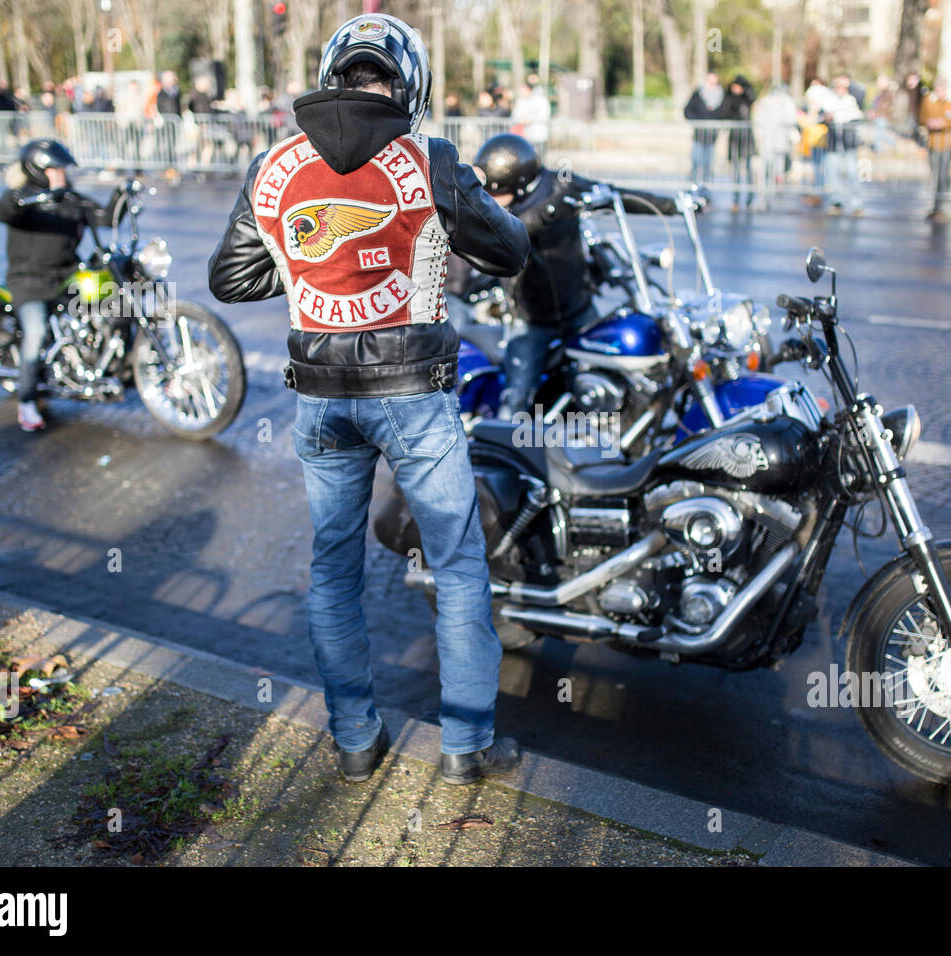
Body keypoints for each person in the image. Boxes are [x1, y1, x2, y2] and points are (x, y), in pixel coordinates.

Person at [208, 13, 530, 786]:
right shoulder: (431, 157)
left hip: (320, 397)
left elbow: (231, 278)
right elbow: (511, 250)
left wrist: (312, 267)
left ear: (332, 75)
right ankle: (466, 749)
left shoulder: (274, 163)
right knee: (455, 565)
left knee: (333, 571)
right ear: (408, 84)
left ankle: (354, 741)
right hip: (413, 394)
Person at [472, 132, 678, 418]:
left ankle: (611, 438)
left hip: (579, 310)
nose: (493, 200)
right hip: (531, 320)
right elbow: (512, 228)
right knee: (515, 397)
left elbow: (614, 195)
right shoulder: (513, 211)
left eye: (498, 192)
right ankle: (501, 452)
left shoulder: (561, 184)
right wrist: (550, 210)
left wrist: (674, 205)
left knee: (612, 374)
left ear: (519, 184)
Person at [0, 140, 119, 431]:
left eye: (62, 168)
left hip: (67, 276)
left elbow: (106, 218)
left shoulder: (70, 199)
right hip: (29, 281)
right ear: (38, 170)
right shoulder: (21, 198)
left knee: (112, 303)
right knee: (35, 332)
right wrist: (28, 199)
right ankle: (26, 402)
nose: (61, 173)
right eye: (55, 169)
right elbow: (4, 210)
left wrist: (122, 194)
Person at [919, 77, 951, 221]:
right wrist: (929, 122)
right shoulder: (928, 100)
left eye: (942, 88)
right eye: (938, 88)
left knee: (944, 176)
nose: (940, 92)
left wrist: (945, 123)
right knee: (935, 175)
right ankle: (935, 205)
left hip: (947, 143)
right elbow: (922, 116)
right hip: (933, 143)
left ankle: (943, 206)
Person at [820, 73, 864, 216]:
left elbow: (861, 93)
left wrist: (849, 83)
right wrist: (826, 118)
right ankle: (837, 201)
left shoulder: (852, 100)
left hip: (848, 144)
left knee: (852, 173)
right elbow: (820, 116)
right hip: (833, 144)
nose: (839, 89)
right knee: (833, 174)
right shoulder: (829, 101)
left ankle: (856, 204)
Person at [721, 74, 756, 211]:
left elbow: (752, 98)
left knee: (748, 169)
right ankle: (735, 199)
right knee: (735, 170)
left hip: (746, 139)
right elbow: (724, 112)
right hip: (734, 139)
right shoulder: (729, 99)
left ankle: (750, 198)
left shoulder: (746, 98)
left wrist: (744, 90)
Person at [684, 72, 724, 184]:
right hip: (699, 134)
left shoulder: (721, 95)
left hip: (712, 135)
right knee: (696, 161)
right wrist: (696, 121)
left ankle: (707, 188)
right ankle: (693, 186)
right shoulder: (698, 94)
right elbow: (687, 110)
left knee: (708, 163)